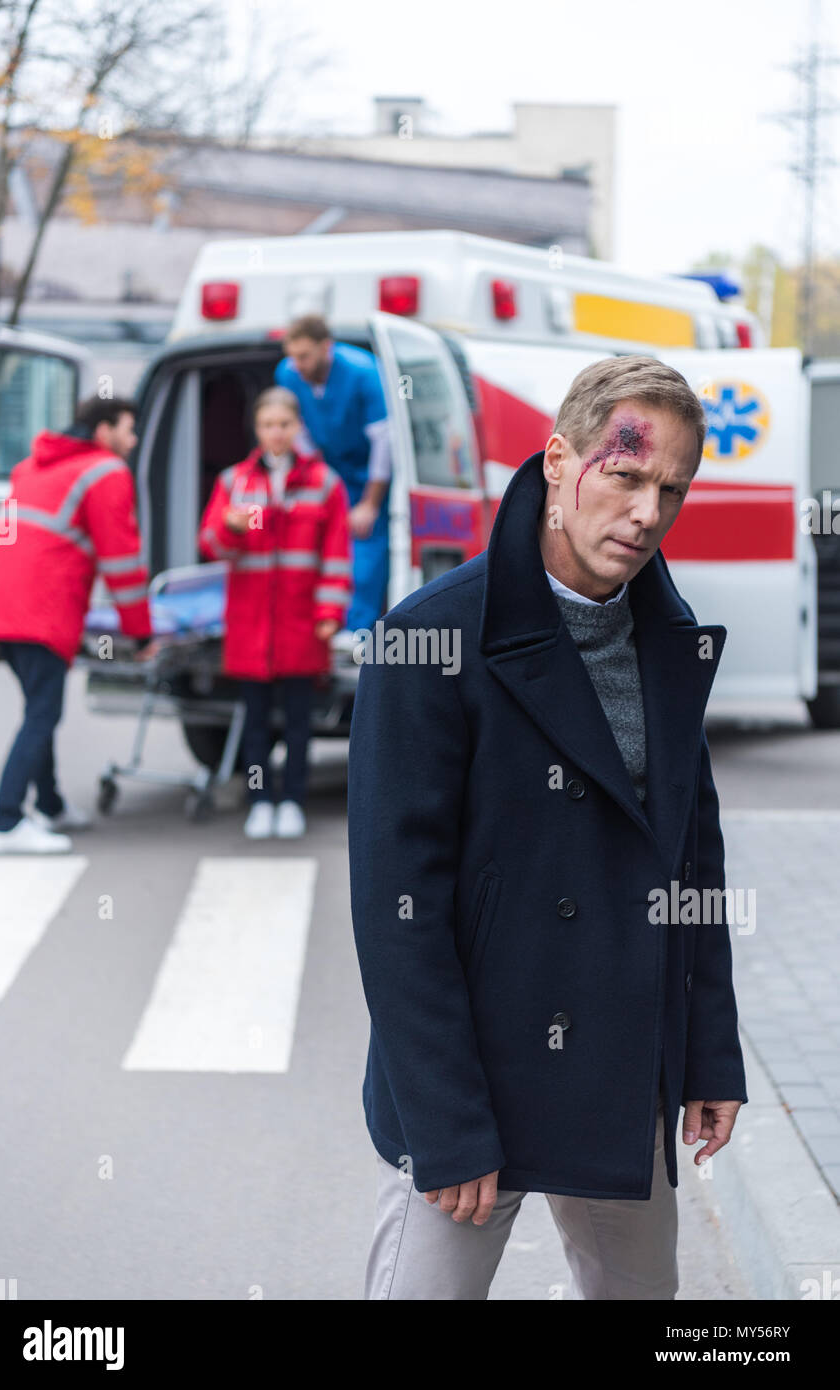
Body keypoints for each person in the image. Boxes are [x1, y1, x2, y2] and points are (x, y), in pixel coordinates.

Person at [348, 355, 748, 1300]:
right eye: (626, 476)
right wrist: (443, 1123)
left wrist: (709, 1051)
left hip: (621, 1070)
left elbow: (693, 857)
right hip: (474, 1080)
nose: (648, 513)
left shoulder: (668, 637)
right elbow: (395, 911)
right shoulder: (430, 640)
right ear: (559, 462)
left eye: (671, 490)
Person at [0, 396, 152, 854]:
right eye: (128, 430)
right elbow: (123, 561)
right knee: (43, 713)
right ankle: (7, 822)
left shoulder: (34, 465)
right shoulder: (106, 472)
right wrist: (141, 633)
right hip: (40, 610)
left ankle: (50, 806)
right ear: (103, 430)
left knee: (38, 706)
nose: (132, 441)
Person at [198, 386, 351, 839]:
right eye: (268, 425)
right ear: (258, 429)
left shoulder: (324, 483)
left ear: (297, 427)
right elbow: (211, 547)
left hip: (301, 623)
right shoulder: (234, 482)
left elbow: (336, 556)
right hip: (251, 624)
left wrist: (329, 612)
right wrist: (229, 528)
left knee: (299, 721)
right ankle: (260, 800)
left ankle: (293, 801)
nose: (276, 433)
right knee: (255, 721)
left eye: (284, 424)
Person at [274, 315, 390, 633]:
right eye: (292, 356)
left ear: (327, 347)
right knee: (321, 546)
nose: (297, 365)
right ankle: (321, 626)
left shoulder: (364, 373)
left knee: (365, 554)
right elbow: (299, 430)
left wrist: (369, 503)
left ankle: (357, 634)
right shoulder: (288, 373)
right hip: (330, 471)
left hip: (369, 477)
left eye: (304, 356)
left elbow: (384, 441)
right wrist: (317, 476)